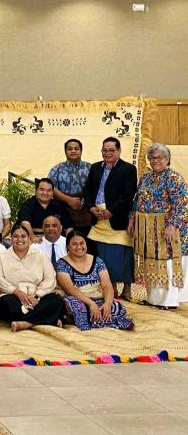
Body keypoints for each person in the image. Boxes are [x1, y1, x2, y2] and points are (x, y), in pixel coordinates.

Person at [129, 143, 188, 308]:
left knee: (166, 262)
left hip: (167, 229)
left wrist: (173, 225)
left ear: (167, 160)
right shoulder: (146, 177)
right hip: (147, 229)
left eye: (160, 157)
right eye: (152, 157)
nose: (156, 160)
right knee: (151, 262)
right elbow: (137, 200)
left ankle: (168, 301)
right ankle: (153, 299)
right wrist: (132, 218)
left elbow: (181, 204)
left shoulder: (174, 178)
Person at [84, 137, 137, 301]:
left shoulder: (128, 169)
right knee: (105, 255)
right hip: (98, 218)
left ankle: (127, 290)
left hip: (118, 218)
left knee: (123, 254)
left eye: (111, 150)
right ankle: (111, 289)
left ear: (119, 151)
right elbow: (87, 190)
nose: (107, 153)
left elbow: (128, 194)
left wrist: (111, 211)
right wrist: (91, 207)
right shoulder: (94, 168)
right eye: (104, 150)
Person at [0, 224, 65, 332]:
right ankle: (50, 319)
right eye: (16, 236)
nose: (19, 239)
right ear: (11, 238)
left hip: (37, 296)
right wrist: (17, 293)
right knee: (7, 305)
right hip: (13, 295)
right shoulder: (2, 257)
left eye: (23, 236)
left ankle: (26, 323)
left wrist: (37, 296)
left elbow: (50, 278)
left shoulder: (40, 256)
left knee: (57, 300)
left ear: (29, 238)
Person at [57, 231, 133, 330]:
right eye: (74, 244)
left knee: (116, 307)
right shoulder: (62, 264)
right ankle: (103, 323)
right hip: (78, 298)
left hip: (98, 297)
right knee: (79, 308)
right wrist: (91, 303)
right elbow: (70, 289)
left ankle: (102, 321)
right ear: (68, 247)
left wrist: (108, 304)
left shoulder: (97, 261)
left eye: (82, 243)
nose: (79, 247)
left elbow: (106, 285)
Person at [48, 138, 92, 236]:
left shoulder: (90, 168)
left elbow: (95, 188)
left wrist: (82, 201)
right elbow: (51, 188)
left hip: (86, 213)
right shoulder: (56, 169)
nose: (73, 151)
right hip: (63, 212)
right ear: (65, 151)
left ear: (81, 151)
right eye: (70, 149)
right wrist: (69, 200)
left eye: (76, 148)